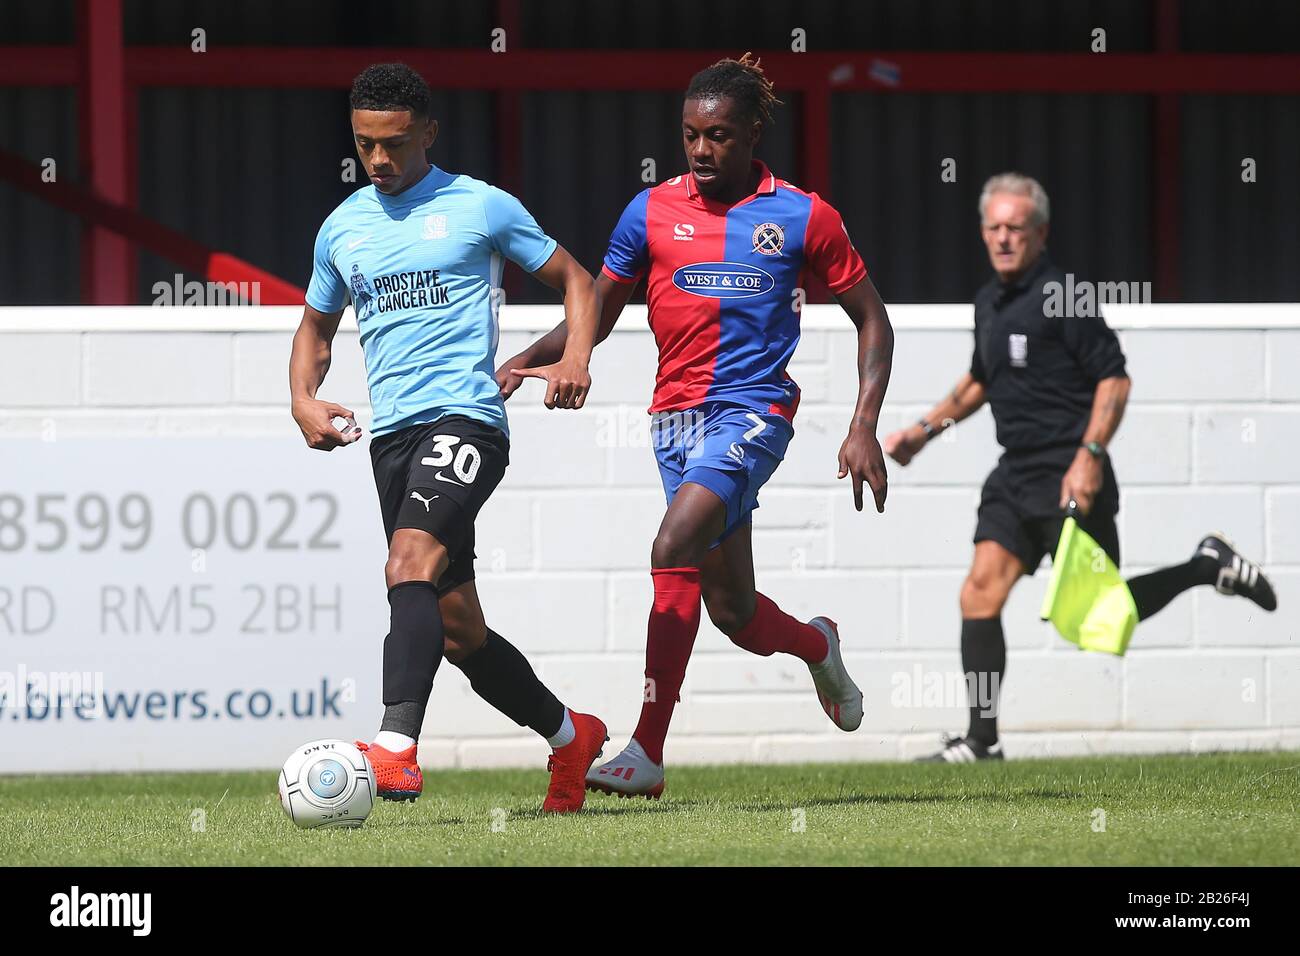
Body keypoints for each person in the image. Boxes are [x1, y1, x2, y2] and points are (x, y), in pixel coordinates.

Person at [498, 55, 894, 798]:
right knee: (734, 611)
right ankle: (818, 644)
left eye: (718, 135)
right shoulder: (649, 212)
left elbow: (872, 316)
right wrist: (522, 359)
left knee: (671, 542)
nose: (702, 150)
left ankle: (644, 751)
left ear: (752, 133)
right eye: (690, 136)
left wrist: (863, 424)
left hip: (753, 412)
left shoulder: (804, 215)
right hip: (673, 420)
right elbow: (600, 313)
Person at [289, 63, 608, 812]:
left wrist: (575, 356)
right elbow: (315, 328)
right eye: (365, 144)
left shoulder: (480, 207)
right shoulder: (343, 226)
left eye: (395, 144)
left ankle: (395, 748)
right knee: (460, 633)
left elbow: (578, 281)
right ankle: (573, 738)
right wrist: (302, 398)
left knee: (406, 562)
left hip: (466, 420)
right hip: (392, 440)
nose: (379, 160)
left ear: (428, 133)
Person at [882, 172, 1278, 763]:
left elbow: (1114, 377)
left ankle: (1205, 565)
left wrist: (1089, 459)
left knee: (1101, 617)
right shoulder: (989, 301)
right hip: (1014, 477)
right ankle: (981, 742)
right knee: (978, 596)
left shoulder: (1063, 295)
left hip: (1071, 473)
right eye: (993, 227)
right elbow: (980, 382)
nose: (1003, 238)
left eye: (1016, 227)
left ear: (1041, 233)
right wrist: (924, 431)